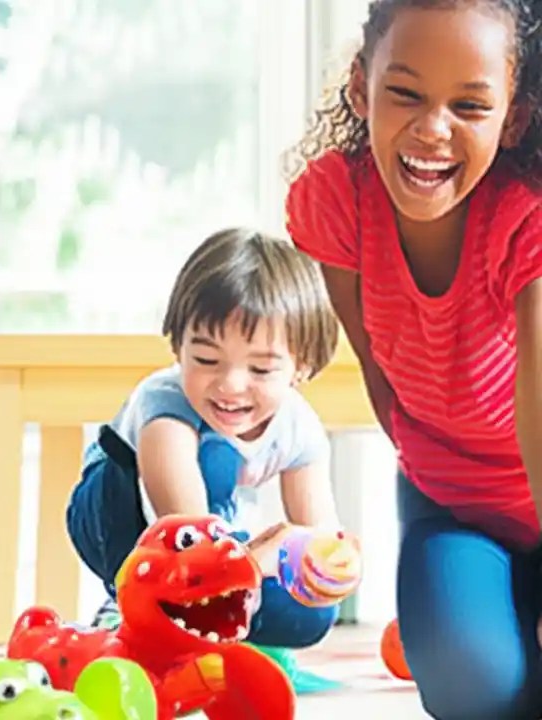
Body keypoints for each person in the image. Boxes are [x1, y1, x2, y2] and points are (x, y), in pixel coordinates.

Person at [284, 0, 542, 716]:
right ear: (360, 87)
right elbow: (378, 367)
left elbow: (539, 401)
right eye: (406, 93)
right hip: (454, 507)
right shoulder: (335, 201)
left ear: (512, 118)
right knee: (474, 684)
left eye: (470, 105)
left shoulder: (526, 215)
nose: (433, 129)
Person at [65, 229, 346, 691]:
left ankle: (214, 624)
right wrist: (252, 558)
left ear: (303, 367)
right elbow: (187, 532)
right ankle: (129, 608)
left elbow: (320, 538)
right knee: (213, 459)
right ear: (178, 348)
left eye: (260, 369)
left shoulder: (301, 428)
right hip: (117, 511)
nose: (231, 385)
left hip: (214, 532)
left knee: (312, 610)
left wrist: (328, 565)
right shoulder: (166, 408)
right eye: (206, 359)